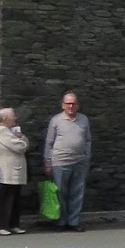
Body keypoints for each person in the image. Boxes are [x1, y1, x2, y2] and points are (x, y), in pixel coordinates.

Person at [43, 91, 91, 231]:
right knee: (60, 193)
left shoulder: (84, 119)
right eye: (68, 103)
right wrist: (47, 162)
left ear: (77, 105)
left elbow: (88, 140)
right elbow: (49, 143)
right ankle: (61, 222)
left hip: (80, 161)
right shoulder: (56, 120)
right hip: (60, 162)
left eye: (73, 103)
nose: (71, 106)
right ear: (63, 105)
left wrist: (87, 156)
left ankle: (73, 222)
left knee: (77, 193)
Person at [0, 107, 28, 235]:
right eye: (13, 116)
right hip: (8, 171)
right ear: (5, 118)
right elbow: (20, 146)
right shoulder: (2, 131)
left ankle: (13, 225)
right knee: (6, 199)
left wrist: (20, 138)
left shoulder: (8, 131)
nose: (15, 118)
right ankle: (2, 226)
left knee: (15, 199)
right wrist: (22, 138)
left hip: (15, 171)